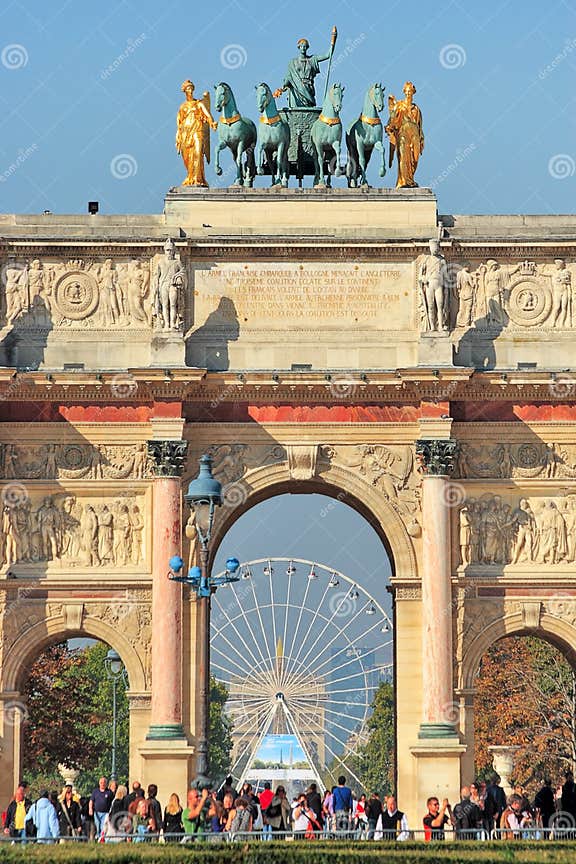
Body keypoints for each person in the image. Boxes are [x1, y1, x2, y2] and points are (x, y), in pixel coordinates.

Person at [176, 80, 217, 188]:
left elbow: (208, 115)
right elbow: (179, 123)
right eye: (188, 89)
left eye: (191, 88)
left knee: (198, 153)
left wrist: (212, 123)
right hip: (185, 133)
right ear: (184, 91)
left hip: (197, 130)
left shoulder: (199, 103)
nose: (190, 91)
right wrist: (178, 136)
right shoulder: (182, 106)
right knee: (187, 156)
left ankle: (198, 178)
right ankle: (190, 177)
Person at [385, 81, 424, 188]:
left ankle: (411, 179)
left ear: (413, 92)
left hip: (415, 134)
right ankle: (404, 181)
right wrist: (390, 127)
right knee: (403, 156)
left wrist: (421, 138)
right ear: (404, 92)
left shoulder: (416, 109)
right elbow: (393, 119)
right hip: (403, 134)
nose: (408, 93)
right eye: (406, 91)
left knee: (414, 158)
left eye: (410, 91)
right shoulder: (400, 106)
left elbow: (420, 125)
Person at [274, 37, 330, 108]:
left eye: (305, 46)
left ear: (307, 48)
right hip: (296, 89)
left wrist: (332, 42)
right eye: (301, 46)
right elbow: (289, 77)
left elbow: (327, 55)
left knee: (309, 109)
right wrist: (283, 86)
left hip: (308, 88)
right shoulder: (293, 62)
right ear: (299, 47)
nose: (303, 48)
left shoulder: (312, 59)